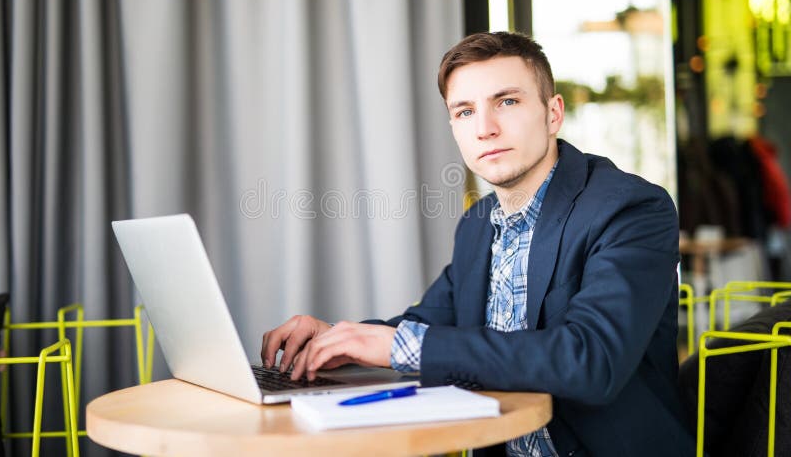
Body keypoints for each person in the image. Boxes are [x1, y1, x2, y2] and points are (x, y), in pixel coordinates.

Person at [261, 32, 695, 456]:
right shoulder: (478, 224)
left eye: (507, 101)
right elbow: (429, 324)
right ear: (453, 127)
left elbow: (591, 359)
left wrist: (395, 346)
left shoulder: (631, 208)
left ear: (553, 113)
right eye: (465, 111)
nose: (485, 128)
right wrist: (340, 338)